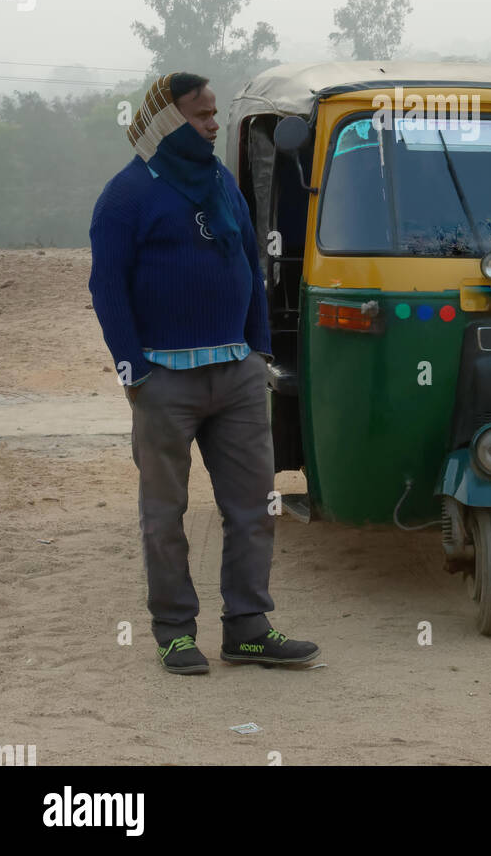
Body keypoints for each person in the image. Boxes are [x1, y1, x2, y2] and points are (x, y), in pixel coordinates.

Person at [88, 71, 319, 675]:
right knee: (164, 514)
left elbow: (248, 261)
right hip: (164, 382)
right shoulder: (127, 196)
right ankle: (174, 633)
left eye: (215, 114)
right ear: (168, 121)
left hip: (237, 376)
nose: (215, 125)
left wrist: (259, 351)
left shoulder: (222, 183)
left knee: (255, 506)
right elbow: (107, 288)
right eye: (201, 116)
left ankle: (247, 628)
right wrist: (133, 371)